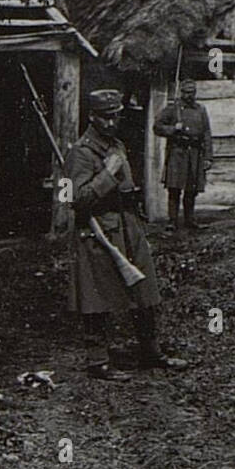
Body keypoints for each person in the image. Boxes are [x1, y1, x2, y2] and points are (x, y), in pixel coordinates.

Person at [67, 89, 185, 379]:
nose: (111, 123)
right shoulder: (81, 152)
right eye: (105, 117)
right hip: (100, 229)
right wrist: (107, 174)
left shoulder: (116, 143)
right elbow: (76, 199)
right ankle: (97, 361)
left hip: (128, 225)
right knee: (96, 296)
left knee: (145, 290)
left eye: (115, 116)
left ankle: (150, 351)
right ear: (92, 117)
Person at [153, 79, 212, 230]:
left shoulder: (200, 110)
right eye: (186, 92)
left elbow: (206, 134)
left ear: (195, 93)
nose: (189, 95)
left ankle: (189, 220)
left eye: (191, 92)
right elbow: (157, 127)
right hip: (178, 153)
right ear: (181, 93)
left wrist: (208, 157)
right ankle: (172, 221)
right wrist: (173, 129)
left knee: (191, 190)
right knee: (174, 188)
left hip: (195, 153)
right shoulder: (173, 109)